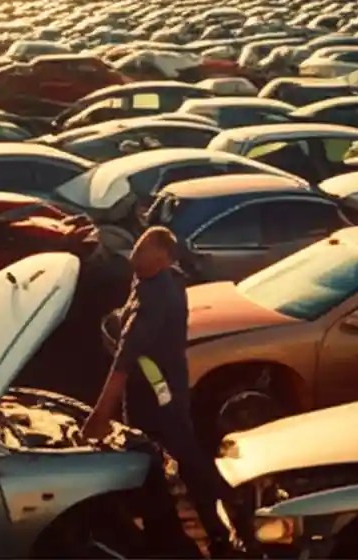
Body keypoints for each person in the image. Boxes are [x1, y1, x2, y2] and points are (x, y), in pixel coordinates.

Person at [83, 226, 256, 558]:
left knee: (179, 458)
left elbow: (125, 359)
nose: (135, 252)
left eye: (144, 248)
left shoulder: (154, 296)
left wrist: (100, 414)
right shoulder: (160, 279)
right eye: (138, 243)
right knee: (181, 457)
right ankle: (210, 523)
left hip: (156, 396)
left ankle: (226, 513)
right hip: (166, 387)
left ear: (161, 259)